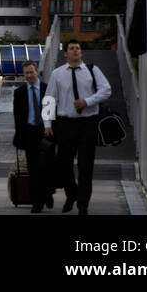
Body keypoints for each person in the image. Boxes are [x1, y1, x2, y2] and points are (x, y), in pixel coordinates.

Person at [45, 38, 111, 215]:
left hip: (88, 123)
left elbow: (106, 90)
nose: (76, 51)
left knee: (85, 166)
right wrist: (47, 123)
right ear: (65, 53)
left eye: (78, 48)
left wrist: (87, 101)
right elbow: (50, 99)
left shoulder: (92, 70)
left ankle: (83, 205)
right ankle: (72, 193)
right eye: (72, 48)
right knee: (63, 164)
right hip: (66, 123)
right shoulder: (57, 74)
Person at [12, 59, 53, 212]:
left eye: (31, 72)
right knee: (33, 169)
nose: (29, 75)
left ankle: (48, 193)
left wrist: (52, 131)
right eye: (26, 73)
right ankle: (37, 202)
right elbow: (17, 117)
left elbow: (51, 113)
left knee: (47, 168)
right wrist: (18, 138)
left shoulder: (47, 89)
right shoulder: (19, 92)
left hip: (45, 132)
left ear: (37, 72)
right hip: (29, 133)